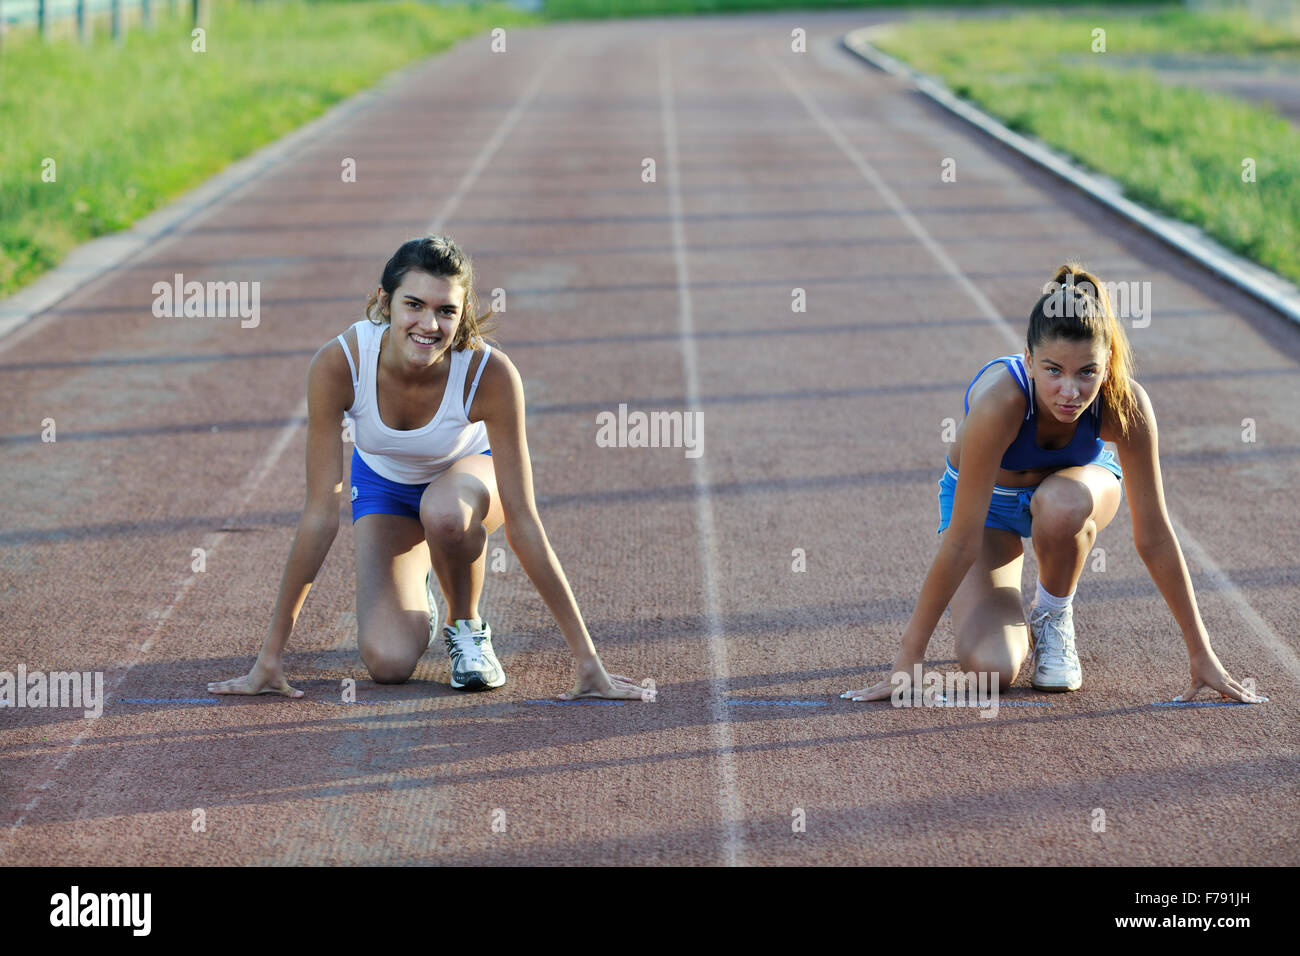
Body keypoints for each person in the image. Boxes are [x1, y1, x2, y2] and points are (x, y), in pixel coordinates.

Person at [209, 235, 646, 701]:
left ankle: (466, 626)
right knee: (388, 663)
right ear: (385, 301)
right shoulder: (341, 363)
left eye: (446, 311)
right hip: (385, 488)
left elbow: (524, 522)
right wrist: (270, 659)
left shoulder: (489, 373)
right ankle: (422, 581)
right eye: (413, 305)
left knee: (443, 513)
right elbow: (320, 515)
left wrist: (588, 661)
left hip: (470, 479)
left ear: (462, 314)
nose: (429, 324)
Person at [843, 263, 1266, 705]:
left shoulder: (1126, 405)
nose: (1070, 391)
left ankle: (1052, 613)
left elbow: (1155, 535)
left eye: (1087, 372)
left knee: (1060, 502)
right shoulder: (1001, 404)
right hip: (990, 510)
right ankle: (1009, 625)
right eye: (1052, 371)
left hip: (1069, 496)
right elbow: (961, 542)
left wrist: (1201, 653)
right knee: (992, 669)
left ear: (1107, 367)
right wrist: (908, 661)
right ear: (1027, 360)